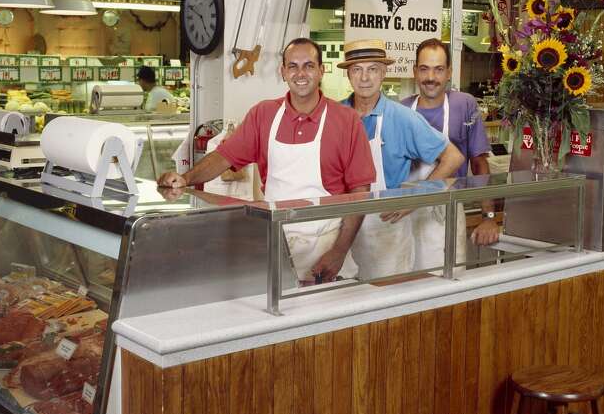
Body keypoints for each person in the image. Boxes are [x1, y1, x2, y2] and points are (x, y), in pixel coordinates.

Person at [156, 39, 376, 284]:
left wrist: (339, 252)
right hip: (276, 242)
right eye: (292, 66)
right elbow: (223, 157)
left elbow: (360, 192)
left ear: (322, 70)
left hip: (325, 246)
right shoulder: (264, 114)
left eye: (309, 66)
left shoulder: (346, 120)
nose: (300, 74)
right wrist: (185, 178)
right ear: (283, 72)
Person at [339, 39, 464, 280]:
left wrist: (416, 197)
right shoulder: (335, 115)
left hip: (386, 229)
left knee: (387, 309)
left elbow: (453, 157)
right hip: (343, 227)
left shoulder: (402, 117)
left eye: (373, 69)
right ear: (348, 74)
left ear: (384, 72)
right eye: (357, 69)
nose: (365, 78)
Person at [400, 38, 501, 264]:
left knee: (447, 283)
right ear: (415, 72)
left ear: (449, 73)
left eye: (438, 70)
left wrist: (489, 217)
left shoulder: (465, 105)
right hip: (407, 212)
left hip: (448, 212)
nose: (431, 78)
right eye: (424, 69)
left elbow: (479, 163)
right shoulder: (402, 109)